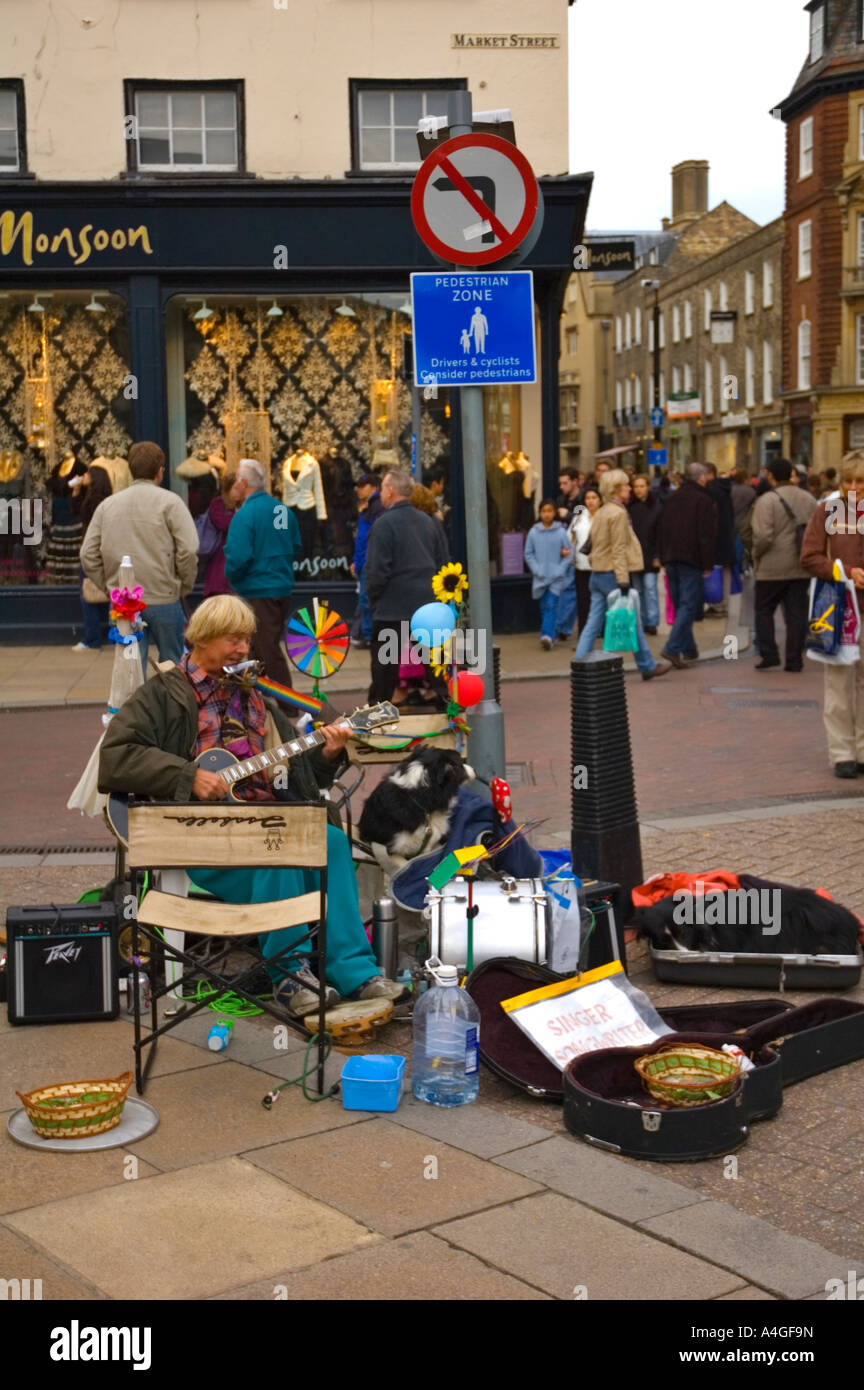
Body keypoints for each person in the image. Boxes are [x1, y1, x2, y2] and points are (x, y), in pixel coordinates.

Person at [98, 595, 404, 1016]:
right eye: (233, 640)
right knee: (277, 848)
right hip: (198, 837)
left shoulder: (256, 696)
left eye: (247, 639)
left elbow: (296, 776)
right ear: (202, 640)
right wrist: (186, 776)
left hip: (262, 823)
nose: (244, 649)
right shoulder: (165, 695)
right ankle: (289, 977)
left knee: (330, 841)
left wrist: (327, 753)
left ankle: (352, 971)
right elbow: (115, 756)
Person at [80, 440, 199, 670]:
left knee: (131, 673)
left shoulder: (107, 506)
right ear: (160, 471)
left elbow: (87, 554)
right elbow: (190, 549)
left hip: (126, 600)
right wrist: (183, 585)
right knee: (173, 668)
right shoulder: (171, 503)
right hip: (165, 595)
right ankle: (172, 706)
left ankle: (138, 707)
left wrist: (110, 588)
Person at [801, 450, 864, 778]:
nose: (854, 487)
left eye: (861, 482)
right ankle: (842, 753)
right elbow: (809, 557)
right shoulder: (828, 509)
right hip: (838, 607)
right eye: (849, 481)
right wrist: (845, 571)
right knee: (838, 682)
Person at [573, 470, 670, 681]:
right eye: (626, 486)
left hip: (597, 573)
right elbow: (617, 549)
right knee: (631, 620)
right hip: (611, 574)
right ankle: (647, 665)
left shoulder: (602, 512)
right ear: (617, 489)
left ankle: (579, 664)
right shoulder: (617, 513)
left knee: (593, 622)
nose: (629, 489)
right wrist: (623, 579)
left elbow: (593, 545)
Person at [365, 469, 449, 704]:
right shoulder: (428, 521)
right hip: (427, 605)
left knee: (384, 670)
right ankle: (448, 714)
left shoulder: (383, 524)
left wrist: (374, 600)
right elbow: (442, 562)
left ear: (391, 491)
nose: (381, 493)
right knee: (435, 667)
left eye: (382, 488)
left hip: (393, 606)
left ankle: (376, 714)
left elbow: (375, 571)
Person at [224, 458, 300, 689]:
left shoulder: (246, 514)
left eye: (237, 478)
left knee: (266, 648)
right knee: (259, 647)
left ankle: (286, 701)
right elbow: (294, 545)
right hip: (281, 586)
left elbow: (238, 557)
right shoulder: (281, 510)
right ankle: (261, 697)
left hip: (257, 589)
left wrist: (235, 580)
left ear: (244, 482)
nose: (235, 483)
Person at [751, 458, 817, 672]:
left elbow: (762, 537)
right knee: (796, 614)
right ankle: (794, 659)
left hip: (771, 567)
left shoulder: (766, 500)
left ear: (770, 475)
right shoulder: (808, 499)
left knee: (763, 610)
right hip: (800, 566)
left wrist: (755, 556)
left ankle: (769, 654)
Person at [657, 462, 717, 669]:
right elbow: (706, 535)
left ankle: (689, 649)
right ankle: (673, 648)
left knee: (682, 603)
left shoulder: (671, 498)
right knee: (688, 605)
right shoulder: (704, 500)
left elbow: (662, 528)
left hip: (671, 557)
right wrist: (708, 563)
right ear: (701, 478)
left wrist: (662, 556)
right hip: (691, 559)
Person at [71, 460, 113, 651]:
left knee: (88, 593)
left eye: (88, 474)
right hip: (99, 550)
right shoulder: (95, 498)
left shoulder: (97, 501)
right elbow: (75, 512)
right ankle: (104, 635)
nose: (84, 476)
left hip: (94, 551)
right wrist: (76, 491)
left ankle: (92, 638)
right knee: (102, 592)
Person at [524, 500, 573, 650]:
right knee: (545, 607)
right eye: (544, 511)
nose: (547, 514)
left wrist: (560, 570)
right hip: (540, 578)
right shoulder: (533, 532)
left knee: (551, 605)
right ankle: (552, 635)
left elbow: (568, 553)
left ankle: (545, 636)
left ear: (555, 513)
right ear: (540, 513)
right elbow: (528, 553)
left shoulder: (561, 532)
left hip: (556, 578)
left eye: (550, 511)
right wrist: (536, 569)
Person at [350, 473, 382, 649]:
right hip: (364, 561)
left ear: (372, 487)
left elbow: (370, 538)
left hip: (368, 561)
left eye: (362, 486)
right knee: (364, 600)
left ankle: (370, 636)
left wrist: (362, 560)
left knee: (366, 600)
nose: (359, 490)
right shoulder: (368, 506)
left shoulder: (375, 506)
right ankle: (367, 634)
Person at [627, 474, 661, 634]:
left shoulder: (656, 506)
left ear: (648, 487)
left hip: (650, 554)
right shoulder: (630, 508)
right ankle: (640, 621)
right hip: (634, 555)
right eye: (636, 486)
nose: (639, 489)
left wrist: (658, 556)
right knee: (637, 590)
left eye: (642, 486)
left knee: (650, 589)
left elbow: (662, 533)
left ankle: (652, 621)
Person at [202, 470, 241, 598]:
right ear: (228, 489)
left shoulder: (246, 505)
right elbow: (224, 524)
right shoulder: (218, 504)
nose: (240, 491)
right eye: (236, 488)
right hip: (220, 561)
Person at [704, 463, 736, 615]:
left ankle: (716, 603)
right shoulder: (726, 488)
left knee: (714, 571)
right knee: (726, 571)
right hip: (727, 534)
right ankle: (724, 604)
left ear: (709, 474)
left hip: (716, 536)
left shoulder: (711, 490)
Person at [569, 484, 600, 633]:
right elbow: (570, 537)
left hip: (601, 566)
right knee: (583, 601)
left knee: (600, 602)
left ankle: (600, 632)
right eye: (588, 498)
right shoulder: (579, 516)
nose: (591, 501)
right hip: (581, 565)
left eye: (594, 497)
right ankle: (583, 633)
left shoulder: (604, 516)